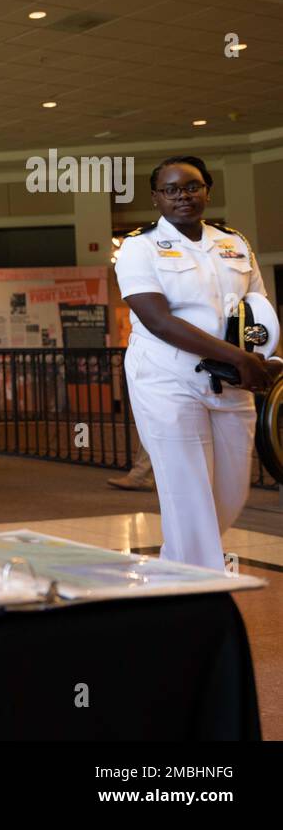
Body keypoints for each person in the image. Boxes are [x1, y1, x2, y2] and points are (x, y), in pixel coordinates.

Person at [114, 155, 283, 569]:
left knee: (230, 491)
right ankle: (196, 583)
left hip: (230, 380)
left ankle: (178, 566)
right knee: (187, 488)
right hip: (165, 376)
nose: (182, 196)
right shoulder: (140, 246)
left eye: (191, 186)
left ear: (207, 189)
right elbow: (158, 320)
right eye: (171, 190)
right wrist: (239, 357)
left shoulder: (233, 242)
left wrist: (266, 357)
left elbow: (257, 309)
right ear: (156, 198)